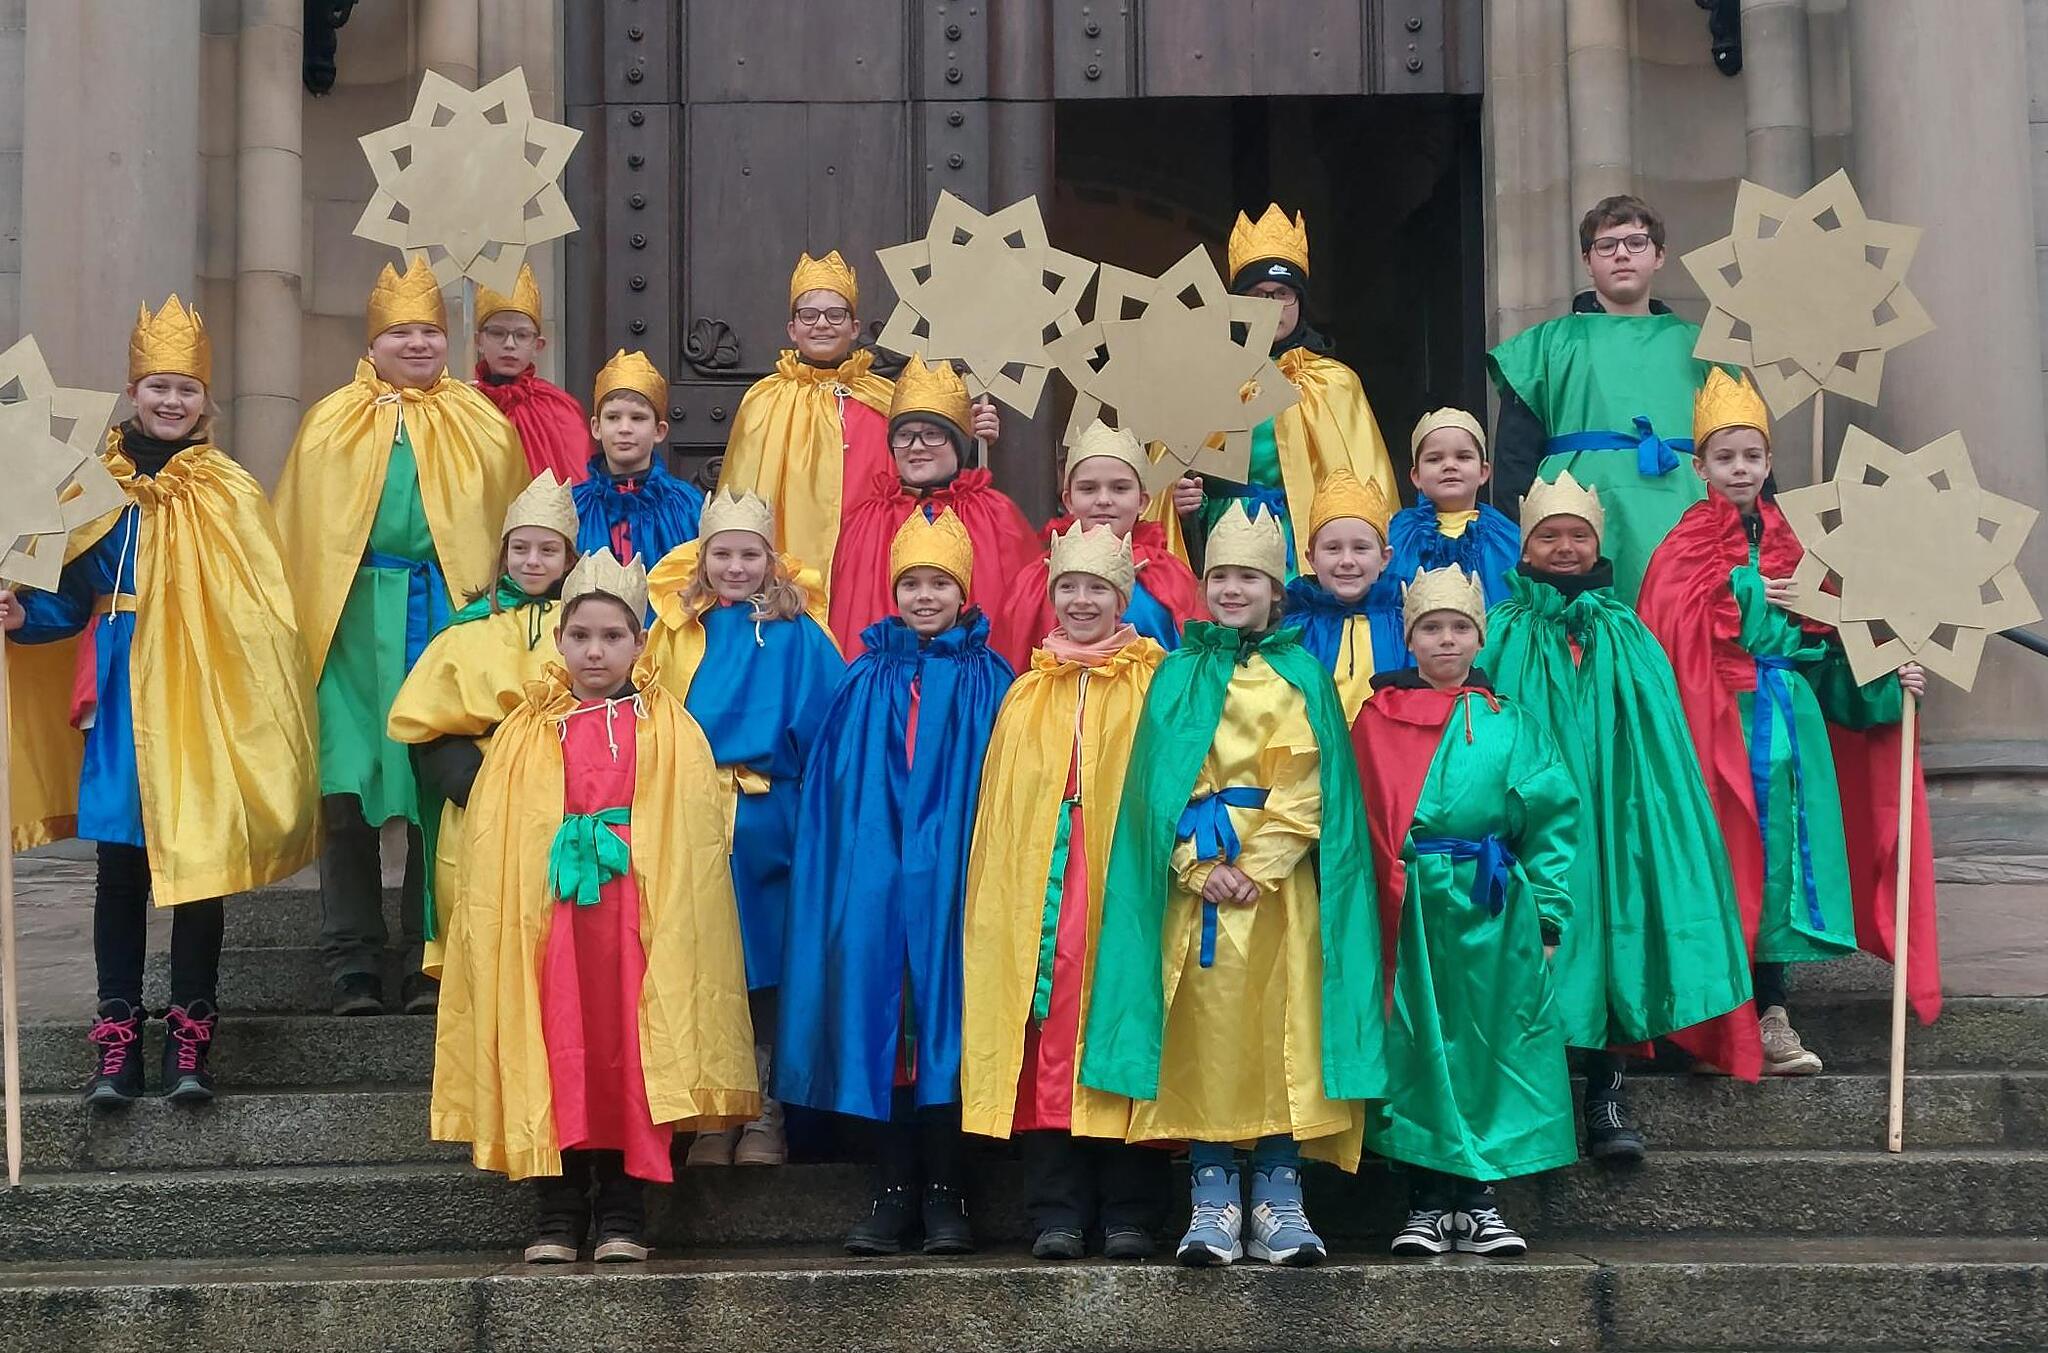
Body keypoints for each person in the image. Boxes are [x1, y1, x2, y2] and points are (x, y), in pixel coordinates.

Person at [0, 295, 319, 1105]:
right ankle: (116, 1039)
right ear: (132, 392)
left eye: (186, 389)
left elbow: (262, 608)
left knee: (199, 867)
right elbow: (66, 598)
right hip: (118, 697)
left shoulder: (229, 489)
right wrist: (19, 613)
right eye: (157, 387)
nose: (171, 401)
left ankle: (190, 1039)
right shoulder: (87, 490)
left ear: (206, 402)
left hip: (201, 699)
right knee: (121, 868)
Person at [430, 548, 758, 1265]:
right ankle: (555, 1205)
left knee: (627, 1054)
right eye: (581, 636)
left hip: (633, 925)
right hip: (552, 926)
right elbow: (499, 836)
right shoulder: (526, 729)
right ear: (561, 640)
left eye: (613, 635)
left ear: (640, 642)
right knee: (554, 1049)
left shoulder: (668, 727)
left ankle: (622, 1207)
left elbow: (692, 836)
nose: (595, 650)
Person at [1081, 501, 1387, 1269]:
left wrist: (1260, 864)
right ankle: (1213, 1191)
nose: (1230, 588)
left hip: (1277, 894)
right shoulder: (1177, 673)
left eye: (1246, 576)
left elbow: (1311, 776)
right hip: (1201, 892)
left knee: (1284, 1027)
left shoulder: (1303, 673)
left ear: (1274, 588)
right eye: (1218, 575)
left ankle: (1281, 1191)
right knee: (1209, 1034)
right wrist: (1196, 863)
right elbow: (1154, 786)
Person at [1637, 369, 1938, 1075]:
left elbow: (1836, 647)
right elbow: (1665, 635)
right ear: (1699, 465)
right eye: (1724, 457)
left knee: (1777, 873)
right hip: (1711, 727)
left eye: (1751, 456)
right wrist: (1739, 590)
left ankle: (1771, 1012)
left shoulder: (1805, 547)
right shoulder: (1678, 548)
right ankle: (1715, 1015)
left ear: (1770, 462)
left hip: (1788, 726)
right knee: (1721, 862)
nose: (1739, 468)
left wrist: (1893, 679)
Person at [275, 255, 525, 1017]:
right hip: (351, 627)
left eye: (429, 332)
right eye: (401, 333)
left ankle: (430, 954)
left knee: (436, 790)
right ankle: (350, 954)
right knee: (344, 788)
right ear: (374, 341)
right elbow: (297, 535)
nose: (417, 345)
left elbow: (515, 531)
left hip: (446, 623)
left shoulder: (482, 421)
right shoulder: (329, 421)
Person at [1480, 471, 1755, 1163]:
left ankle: (1605, 1088)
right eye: (1550, 535)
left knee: (1606, 941)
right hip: (1530, 825)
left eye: (1578, 535)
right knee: (1531, 944)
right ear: (1527, 546)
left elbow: (1657, 735)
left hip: (1610, 817)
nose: (1566, 547)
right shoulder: (1504, 627)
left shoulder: (1626, 630)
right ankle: (1536, 1093)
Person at [775, 508, 1013, 1257]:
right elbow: (836, 791)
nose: (923, 596)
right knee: (887, 1023)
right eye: (911, 582)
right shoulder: (863, 678)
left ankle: (949, 1189)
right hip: (878, 881)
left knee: (948, 1023)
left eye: (939, 582)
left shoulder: (992, 678)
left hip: (954, 882)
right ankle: (892, 1186)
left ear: (964, 592)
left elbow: (1006, 786)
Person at [1352, 565, 1582, 1258]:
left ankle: (1479, 1196)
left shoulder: (1511, 722)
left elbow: (1551, 820)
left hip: (1490, 907)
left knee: (1487, 1044)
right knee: (1416, 1041)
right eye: (1431, 627)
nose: (1445, 639)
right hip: (1410, 903)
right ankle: (1424, 1196)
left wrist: (1546, 913)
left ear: (1478, 640)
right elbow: (1356, 816)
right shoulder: (1375, 718)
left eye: (1458, 627)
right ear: (1410, 638)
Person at [960, 523, 1171, 1262]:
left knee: (1119, 1026)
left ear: (1123, 597)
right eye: (1070, 588)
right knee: (1042, 1032)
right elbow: (1003, 808)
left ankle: (1129, 1207)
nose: (1082, 601)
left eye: (1098, 589)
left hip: (1119, 887)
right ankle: (1055, 1206)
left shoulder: (1153, 679)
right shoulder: (1027, 691)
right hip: (1043, 893)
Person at [644, 488, 846, 1168]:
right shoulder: (676, 627)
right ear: (702, 559)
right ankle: (709, 1113)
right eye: (722, 554)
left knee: (766, 967)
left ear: (771, 559)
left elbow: (829, 731)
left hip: (768, 817)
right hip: (693, 815)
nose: (735, 567)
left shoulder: (799, 634)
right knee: (705, 964)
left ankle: (765, 1108)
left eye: (748, 554)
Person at [387, 471, 580, 981]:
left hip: (565, 793)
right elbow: (428, 718)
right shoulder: (469, 626)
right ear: (504, 553)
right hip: (483, 790)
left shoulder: (587, 624)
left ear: (568, 559)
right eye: (521, 549)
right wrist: (468, 780)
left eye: (547, 550)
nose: (532, 561)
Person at [717, 251, 1001, 587]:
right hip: (793, 551)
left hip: (875, 550)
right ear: (792, 329)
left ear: (854, 328)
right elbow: (742, 488)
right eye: (809, 315)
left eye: (835, 315)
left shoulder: (886, 395)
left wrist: (969, 434)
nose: (822, 324)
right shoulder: (763, 399)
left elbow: (927, 464)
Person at [1487, 195, 1720, 601]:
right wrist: (1518, 539)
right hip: (1577, 519)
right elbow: (1513, 459)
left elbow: (1741, 446)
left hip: (1687, 514)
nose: (1621, 256)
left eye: (1636, 243)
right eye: (1607, 246)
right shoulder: (1546, 346)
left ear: (1660, 255)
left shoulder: (1703, 347)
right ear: (1587, 260)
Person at [1161, 204, 1399, 576]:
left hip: (1309, 543)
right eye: (1257, 294)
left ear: (1300, 301)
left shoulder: (1335, 381)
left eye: (1283, 292)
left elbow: (1367, 484)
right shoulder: (1202, 378)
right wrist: (1185, 503)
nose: (1271, 305)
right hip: (1227, 543)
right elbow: (1169, 478)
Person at [825, 354, 1038, 649]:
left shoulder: (996, 514)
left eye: (932, 434)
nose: (916, 447)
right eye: (905, 436)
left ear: (958, 444)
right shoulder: (866, 518)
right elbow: (851, 620)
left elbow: (1020, 616)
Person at [990, 419, 1201, 669]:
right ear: (1068, 500)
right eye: (1088, 489)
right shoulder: (1034, 580)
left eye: (1119, 488)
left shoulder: (1170, 576)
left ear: (1142, 501)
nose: (1103, 500)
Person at [1284, 468, 1408, 720]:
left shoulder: (1405, 624)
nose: (1347, 560)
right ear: (1311, 558)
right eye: (1332, 548)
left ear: (1385, 558)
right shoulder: (1293, 628)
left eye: (1361, 548)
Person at [572, 348, 702, 566]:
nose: (625, 428)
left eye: (638, 418)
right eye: (613, 417)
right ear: (596, 427)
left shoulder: (687, 505)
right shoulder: (575, 507)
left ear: (659, 430)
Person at [1387, 409, 1521, 607]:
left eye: (1463, 457)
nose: (1449, 465)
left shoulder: (1507, 538)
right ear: (1416, 476)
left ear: (1484, 472)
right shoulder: (1397, 535)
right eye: (1434, 459)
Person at [470, 262, 590, 483]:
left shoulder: (558, 408)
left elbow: (576, 483)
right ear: (479, 340)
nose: (509, 344)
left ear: (538, 345)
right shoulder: (460, 406)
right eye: (497, 333)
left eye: (522, 335)